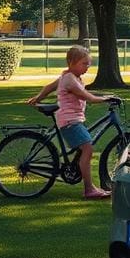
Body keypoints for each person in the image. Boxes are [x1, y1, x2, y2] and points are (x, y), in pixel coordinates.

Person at [28, 46, 113, 199]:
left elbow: (49, 87)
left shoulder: (71, 77)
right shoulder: (69, 80)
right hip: (69, 121)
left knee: (84, 147)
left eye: (89, 64)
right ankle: (89, 189)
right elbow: (87, 96)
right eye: (84, 63)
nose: (87, 67)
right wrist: (106, 99)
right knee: (88, 149)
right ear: (71, 62)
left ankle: (80, 175)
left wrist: (38, 98)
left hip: (74, 119)